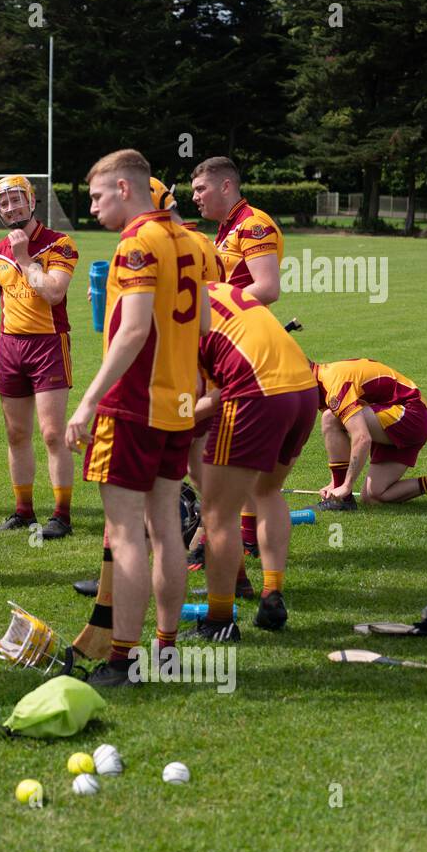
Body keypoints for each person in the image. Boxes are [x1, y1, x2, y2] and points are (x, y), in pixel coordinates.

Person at [65, 150, 209, 688]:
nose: (94, 209)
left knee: (126, 532)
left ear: (126, 189)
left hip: (132, 405)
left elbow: (132, 331)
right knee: (166, 528)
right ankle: (165, 649)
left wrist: (88, 401)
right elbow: (206, 321)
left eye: (98, 197)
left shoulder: (136, 242)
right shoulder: (191, 241)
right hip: (177, 405)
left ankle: (123, 660)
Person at [183, 283, 318, 640]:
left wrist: (172, 420)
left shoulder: (175, 306)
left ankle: (219, 620)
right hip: (304, 387)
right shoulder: (220, 290)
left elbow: (201, 399)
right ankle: (271, 591)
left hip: (257, 392)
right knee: (267, 491)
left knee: (217, 512)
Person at [0, 175, 79, 537]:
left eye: (17, 200)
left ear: (32, 201)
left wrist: (25, 257)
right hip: (10, 348)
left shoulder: (60, 243)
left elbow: (54, 293)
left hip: (48, 346)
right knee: (16, 434)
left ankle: (61, 516)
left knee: (52, 434)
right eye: (4, 203)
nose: (11, 207)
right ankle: (24, 511)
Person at [191, 155, 285, 576]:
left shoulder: (253, 224)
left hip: (245, 350)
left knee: (223, 446)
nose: (196, 197)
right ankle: (224, 538)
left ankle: (213, 541)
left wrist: (214, 304)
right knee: (218, 447)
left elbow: (267, 287)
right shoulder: (225, 229)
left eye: (201, 189)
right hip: (223, 347)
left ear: (226, 186)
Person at [312, 358, 427, 509]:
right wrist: (335, 484)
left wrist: (346, 485)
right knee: (373, 496)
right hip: (398, 419)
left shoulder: (334, 383)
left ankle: (342, 502)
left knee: (330, 418)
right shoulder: (321, 382)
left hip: (410, 415)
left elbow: (362, 438)